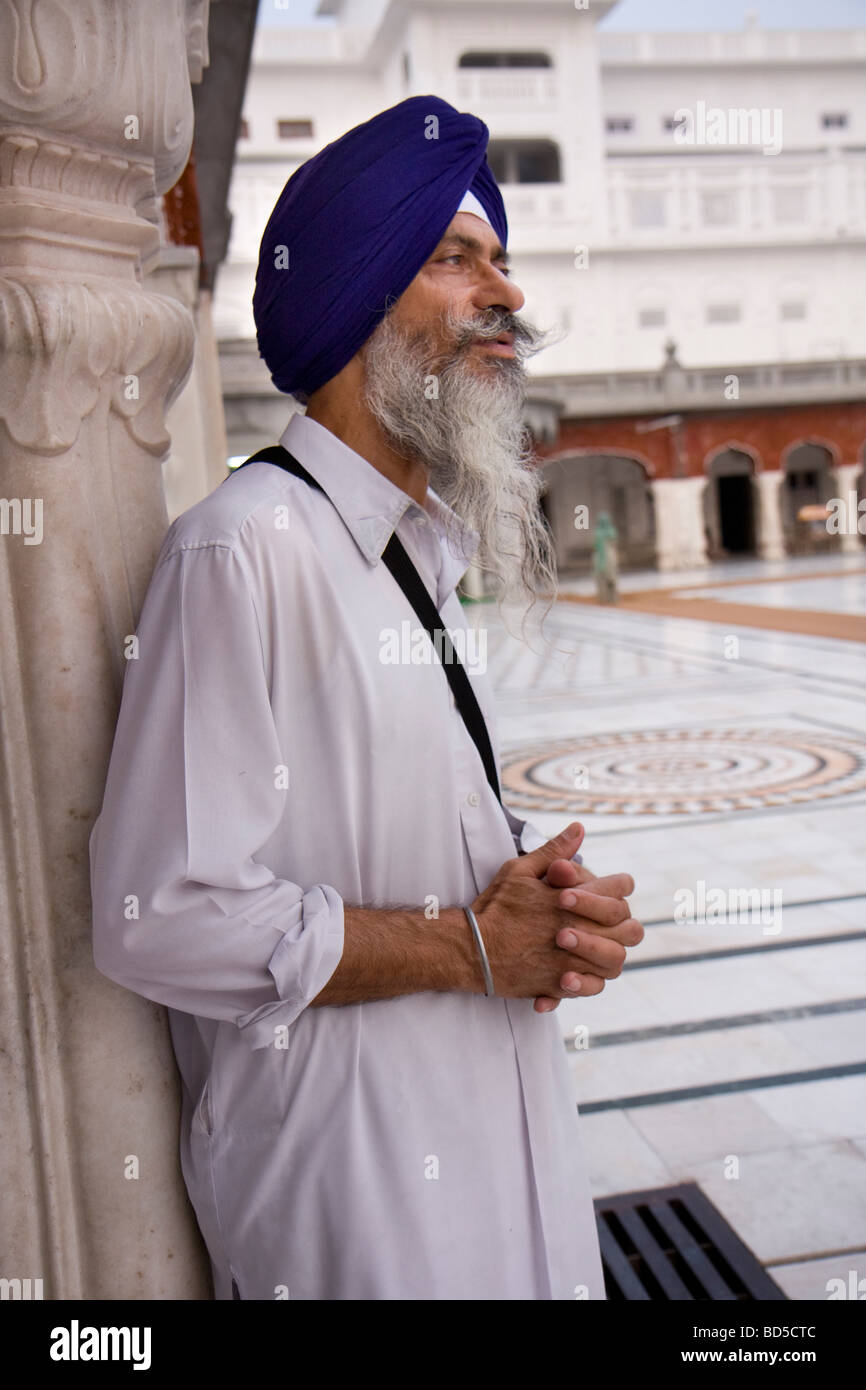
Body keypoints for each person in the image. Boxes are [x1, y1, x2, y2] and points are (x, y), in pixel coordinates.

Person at [90, 95, 644, 1301]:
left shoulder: (414, 553)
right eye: (455, 258)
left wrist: (535, 908)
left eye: (498, 260)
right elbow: (157, 914)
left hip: (501, 1162)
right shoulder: (242, 550)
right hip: (360, 1205)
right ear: (356, 292)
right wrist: (466, 946)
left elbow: (384, 841)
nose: (504, 295)